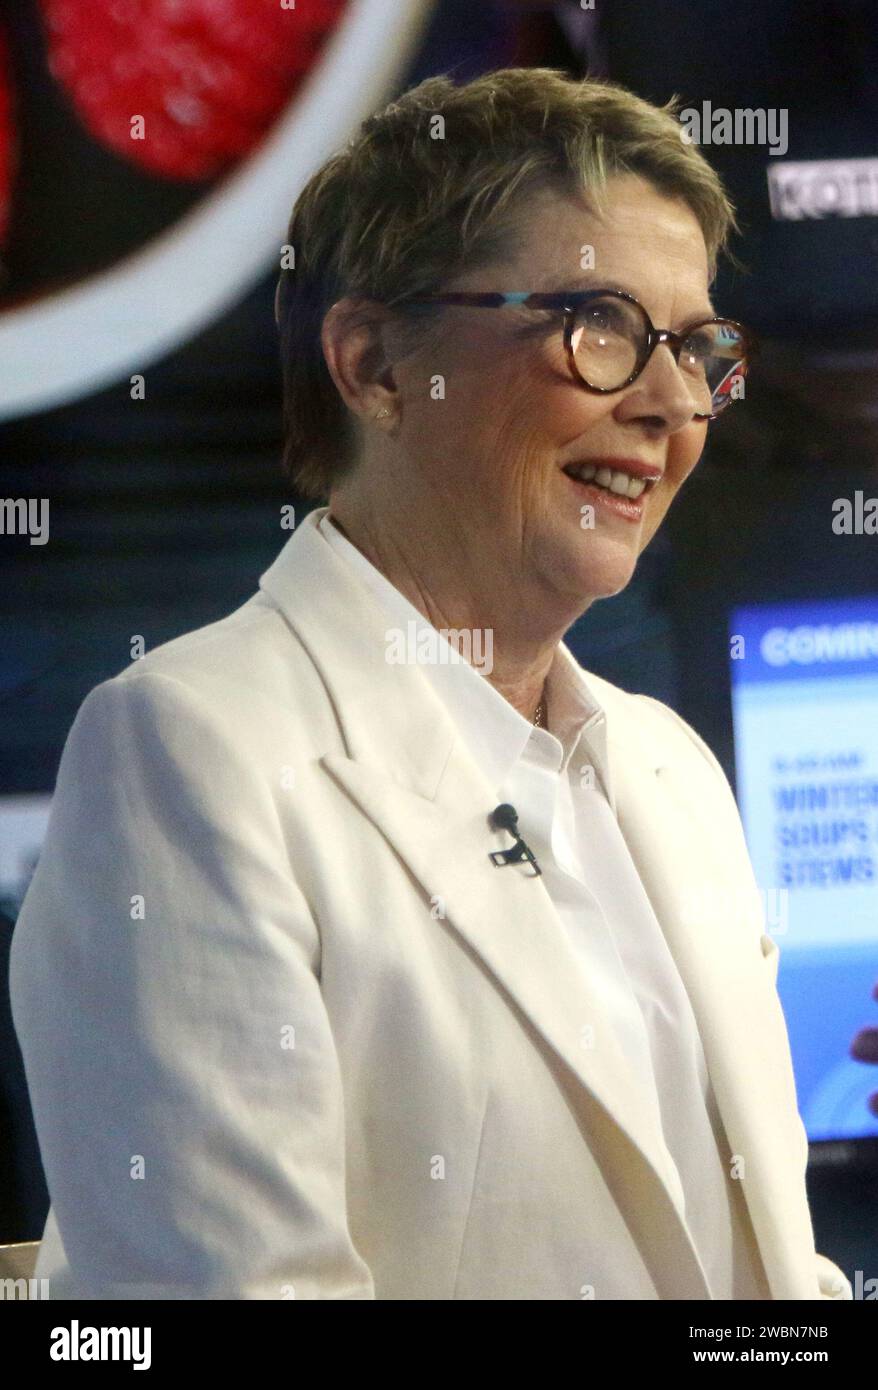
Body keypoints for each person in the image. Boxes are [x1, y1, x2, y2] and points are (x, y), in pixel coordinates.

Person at [9, 67, 852, 1300]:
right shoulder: (188, 752)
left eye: (695, 347)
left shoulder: (669, 764)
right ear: (376, 364)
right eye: (601, 327)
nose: (672, 404)